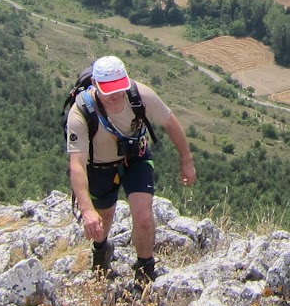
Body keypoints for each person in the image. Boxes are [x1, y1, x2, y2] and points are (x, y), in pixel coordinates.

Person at [65, 55, 196, 283]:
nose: (116, 95)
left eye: (119, 88)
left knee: (144, 216)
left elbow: (171, 123)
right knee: (103, 217)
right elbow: (77, 164)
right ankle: (101, 251)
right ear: (96, 85)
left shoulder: (140, 96)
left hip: (136, 158)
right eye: (108, 90)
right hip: (99, 166)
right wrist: (87, 210)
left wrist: (187, 160)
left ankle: (145, 270)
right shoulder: (80, 113)